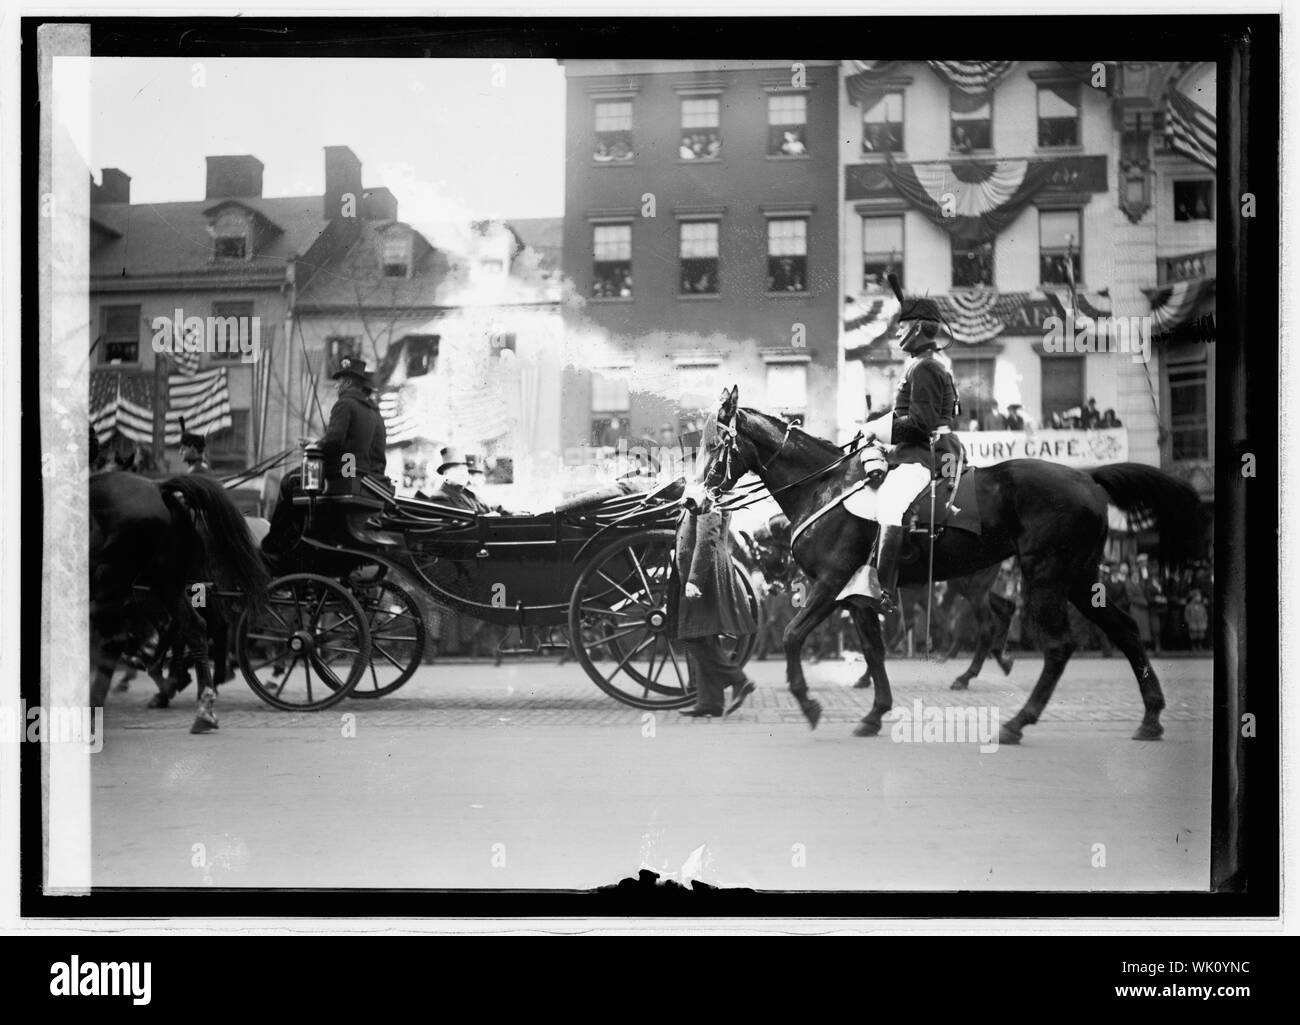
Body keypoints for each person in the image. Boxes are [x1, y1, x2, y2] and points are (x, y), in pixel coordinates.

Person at [842, 287, 963, 613]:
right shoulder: (923, 364)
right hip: (916, 451)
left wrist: (875, 428)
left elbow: (920, 424)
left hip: (923, 455)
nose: (897, 330)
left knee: (891, 504)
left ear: (919, 328)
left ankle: (882, 590)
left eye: (902, 324)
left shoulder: (924, 367)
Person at [262, 355, 387, 560]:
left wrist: (315, 446)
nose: (337, 386)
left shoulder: (344, 404)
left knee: (288, 482)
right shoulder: (374, 413)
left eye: (339, 381)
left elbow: (335, 442)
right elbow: (360, 448)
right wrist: (320, 441)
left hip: (341, 475)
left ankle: (278, 544)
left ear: (346, 382)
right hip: (362, 477)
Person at [671, 505, 758, 718]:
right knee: (704, 636)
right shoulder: (706, 494)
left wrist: (694, 580)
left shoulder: (709, 495)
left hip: (704, 574)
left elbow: (707, 538)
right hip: (705, 570)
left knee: (694, 636)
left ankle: (739, 680)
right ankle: (710, 702)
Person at [425, 446, 493, 514]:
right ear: (446, 473)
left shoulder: (469, 494)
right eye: (458, 469)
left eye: (465, 469)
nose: (463, 474)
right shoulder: (440, 497)